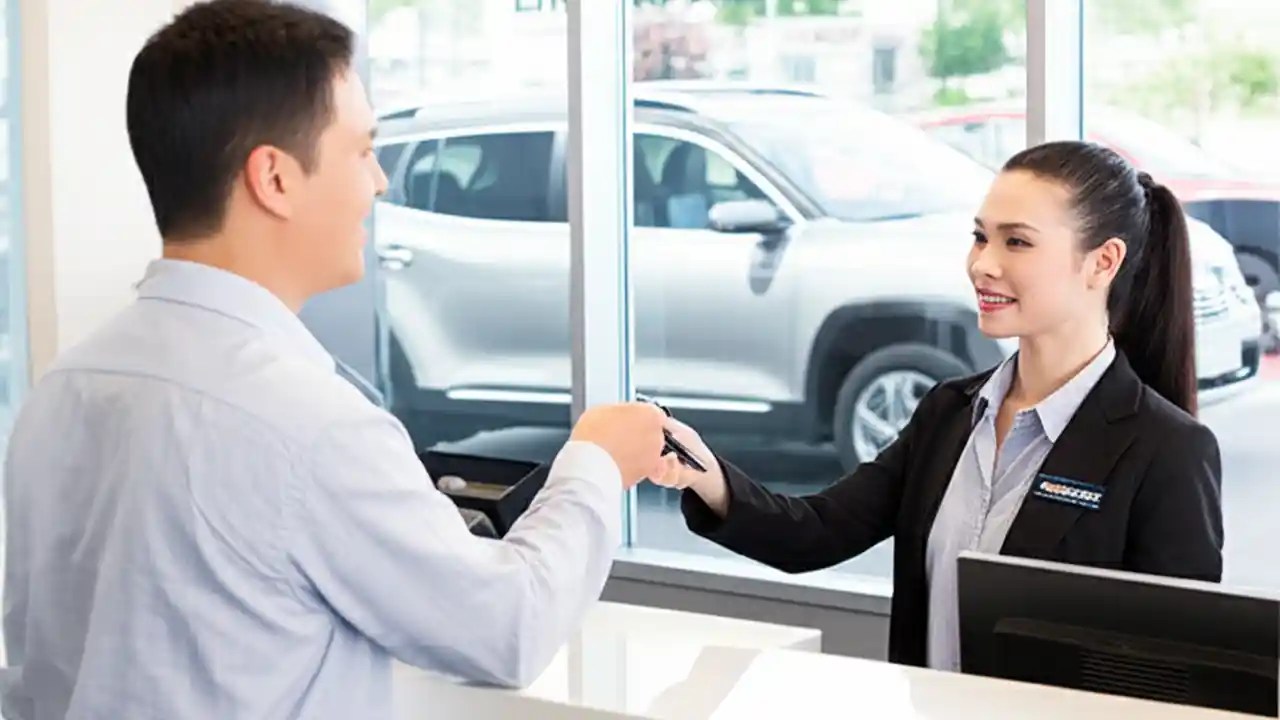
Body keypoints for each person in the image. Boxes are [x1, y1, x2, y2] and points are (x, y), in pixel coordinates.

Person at [0, 2, 672, 718]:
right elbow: (509, 626)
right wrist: (597, 462)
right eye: (361, 150)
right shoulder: (310, 428)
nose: (379, 181)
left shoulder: (63, 390)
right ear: (275, 179)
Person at [650, 140, 1225, 672]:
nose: (983, 264)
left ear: (1102, 262)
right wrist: (706, 475)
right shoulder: (950, 413)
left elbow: (1173, 672)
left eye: (1016, 241)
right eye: (980, 236)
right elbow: (816, 533)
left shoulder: (1167, 450)